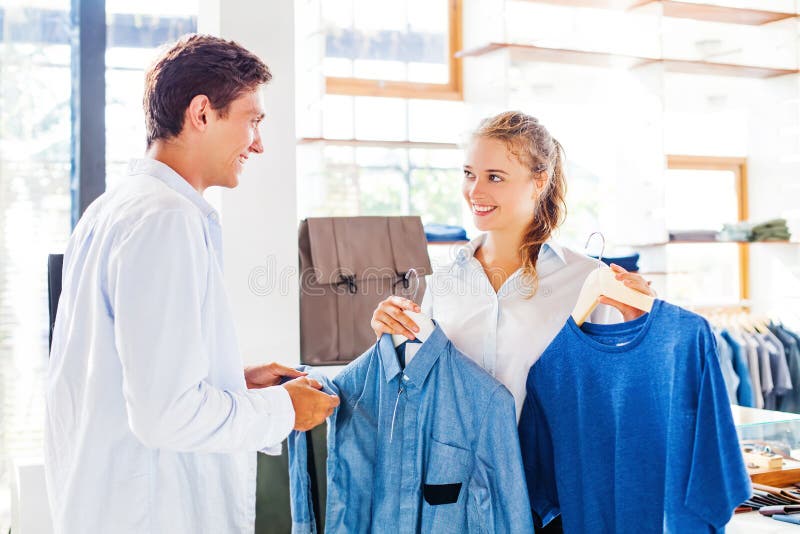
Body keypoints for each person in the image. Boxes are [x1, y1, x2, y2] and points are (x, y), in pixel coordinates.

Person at [44, 34, 339, 534]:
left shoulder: (114, 210)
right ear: (202, 113)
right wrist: (282, 411)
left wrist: (233, 380)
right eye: (253, 121)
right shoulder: (166, 220)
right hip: (153, 512)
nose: (259, 143)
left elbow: (127, 374)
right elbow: (166, 415)